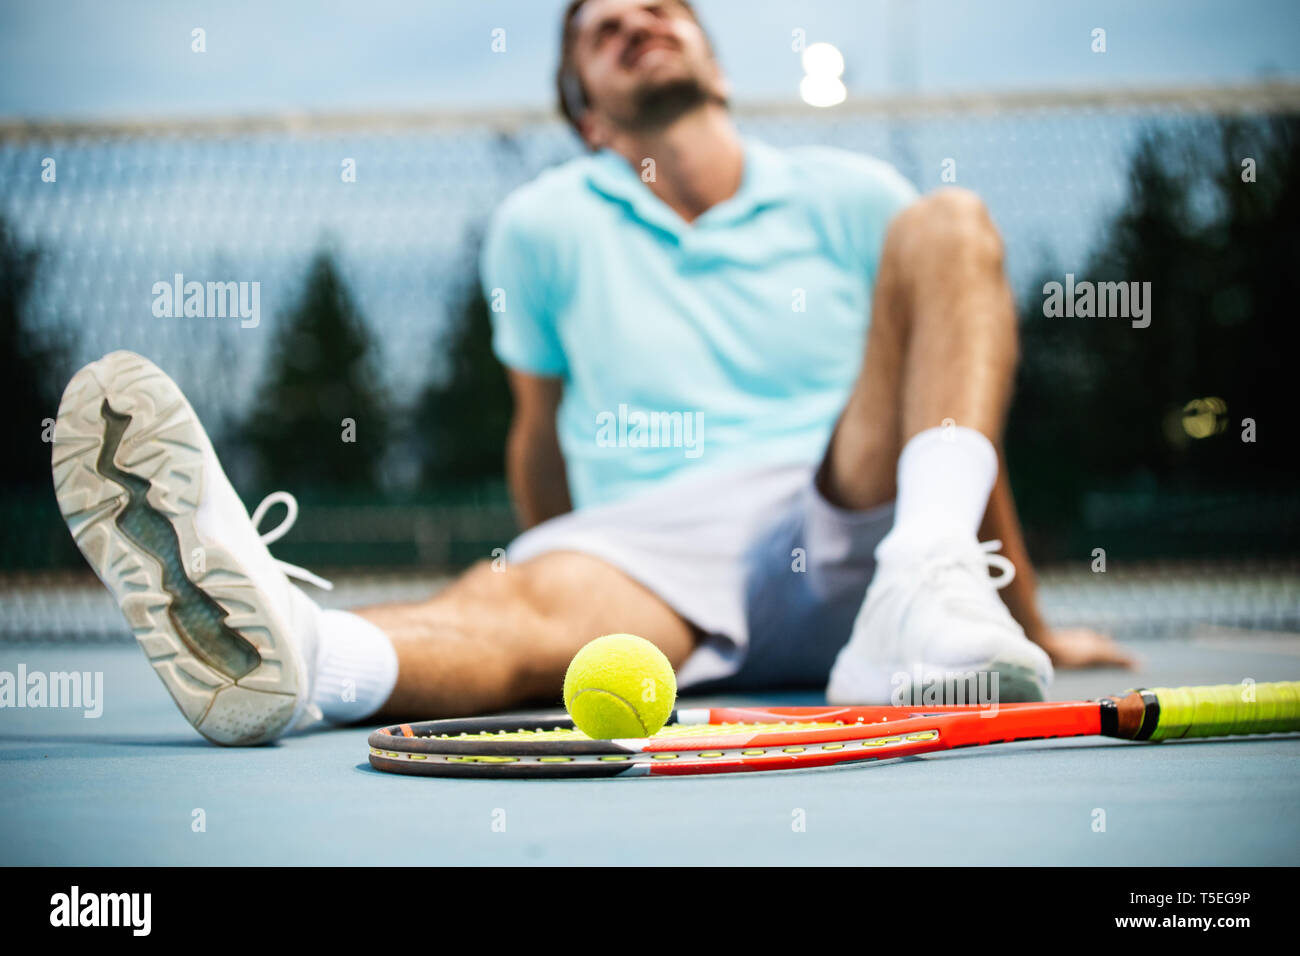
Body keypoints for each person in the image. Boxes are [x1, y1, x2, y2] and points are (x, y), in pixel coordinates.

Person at [51, 0, 1133, 746]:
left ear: (712, 56)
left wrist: (1021, 622)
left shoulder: (854, 192)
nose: (638, 27)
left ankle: (927, 587)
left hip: (856, 500)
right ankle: (297, 655)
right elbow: (537, 431)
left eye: (661, 12)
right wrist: (550, 560)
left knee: (950, 225)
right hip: (659, 541)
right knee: (521, 611)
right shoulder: (540, 224)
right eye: (605, 32)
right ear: (585, 108)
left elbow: (950, 399)